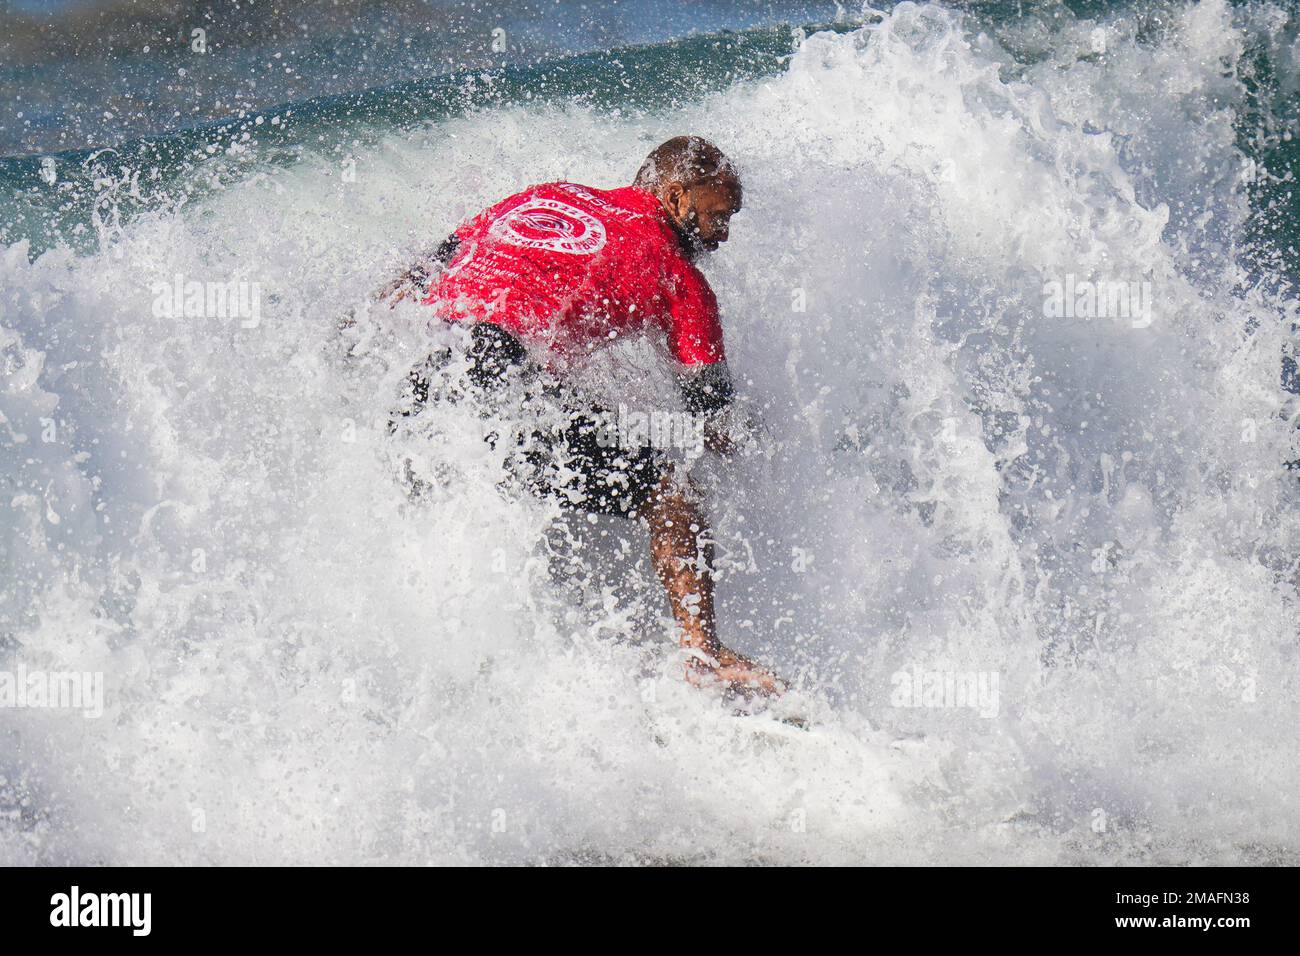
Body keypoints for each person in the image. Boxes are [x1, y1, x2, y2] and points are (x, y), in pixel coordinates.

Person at [379, 136, 783, 697]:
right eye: (717, 217)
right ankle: (704, 654)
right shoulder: (680, 280)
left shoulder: (548, 196)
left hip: (422, 388)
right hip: (500, 385)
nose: (723, 235)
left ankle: (438, 672)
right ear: (674, 196)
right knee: (673, 494)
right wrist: (760, 452)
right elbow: (711, 420)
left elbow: (422, 272)